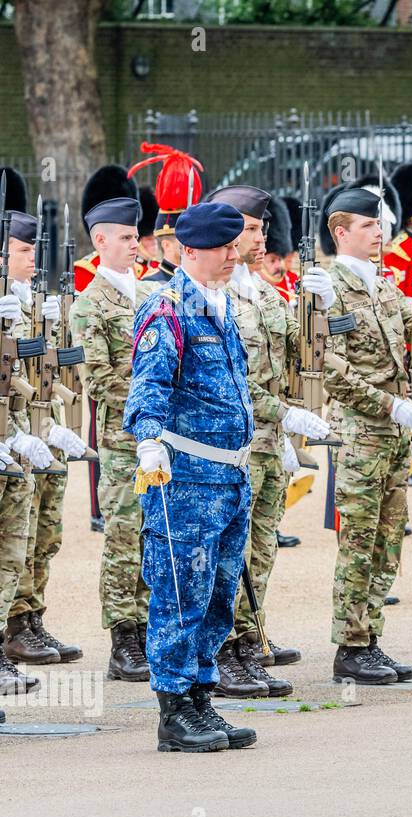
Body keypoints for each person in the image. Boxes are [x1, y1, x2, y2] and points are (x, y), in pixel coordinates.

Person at [123, 200, 258, 753]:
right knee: (181, 592)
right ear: (190, 250)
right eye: (222, 248)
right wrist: (149, 440)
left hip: (228, 477)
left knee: (219, 593)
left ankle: (202, 697)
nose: (232, 255)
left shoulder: (221, 306)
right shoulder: (168, 308)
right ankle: (174, 710)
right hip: (186, 479)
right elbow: (148, 385)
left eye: (234, 246)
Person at [208, 184, 330, 696]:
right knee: (229, 553)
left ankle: (250, 636)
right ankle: (227, 650)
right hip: (236, 441)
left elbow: (299, 353)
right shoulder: (215, 295)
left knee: (260, 549)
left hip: (268, 440)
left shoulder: (262, 290)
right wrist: (286, 416)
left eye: (260, 228)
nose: (261, 238)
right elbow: (229, 378)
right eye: (253, 228)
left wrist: (317, 305)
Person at [321, 186, 412, 683]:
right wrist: (390, 403)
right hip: (360, 431)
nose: (379, 233)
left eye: (380, 225)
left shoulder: (386, 286)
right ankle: (349, 646)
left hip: (393, 431)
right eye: (368, 226)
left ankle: (371, 636)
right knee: (360, 537)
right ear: (341, 232)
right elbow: (328, 367)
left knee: (389, 537)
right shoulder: (326, 288)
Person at [75, 196, 159, 681]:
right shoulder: (90, 305)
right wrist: (154, 395)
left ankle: (150, 628)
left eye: (136, 237)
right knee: (124, 538)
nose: (136, 245)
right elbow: (98, 379)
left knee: (155, 536)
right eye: (126, 238)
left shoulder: (153, 296)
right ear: (100, 241)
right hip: (123, 439)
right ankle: (123, 638)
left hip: (162, 439)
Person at [0, 207, 66, 673]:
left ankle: (28, 617)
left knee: (40, 539)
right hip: (14, 435)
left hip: (38, 431)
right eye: (23, 250)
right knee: (9, 548)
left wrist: (54, 323)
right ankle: (13, 627)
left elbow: (54, 372)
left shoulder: (30, 299)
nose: (32, 259)